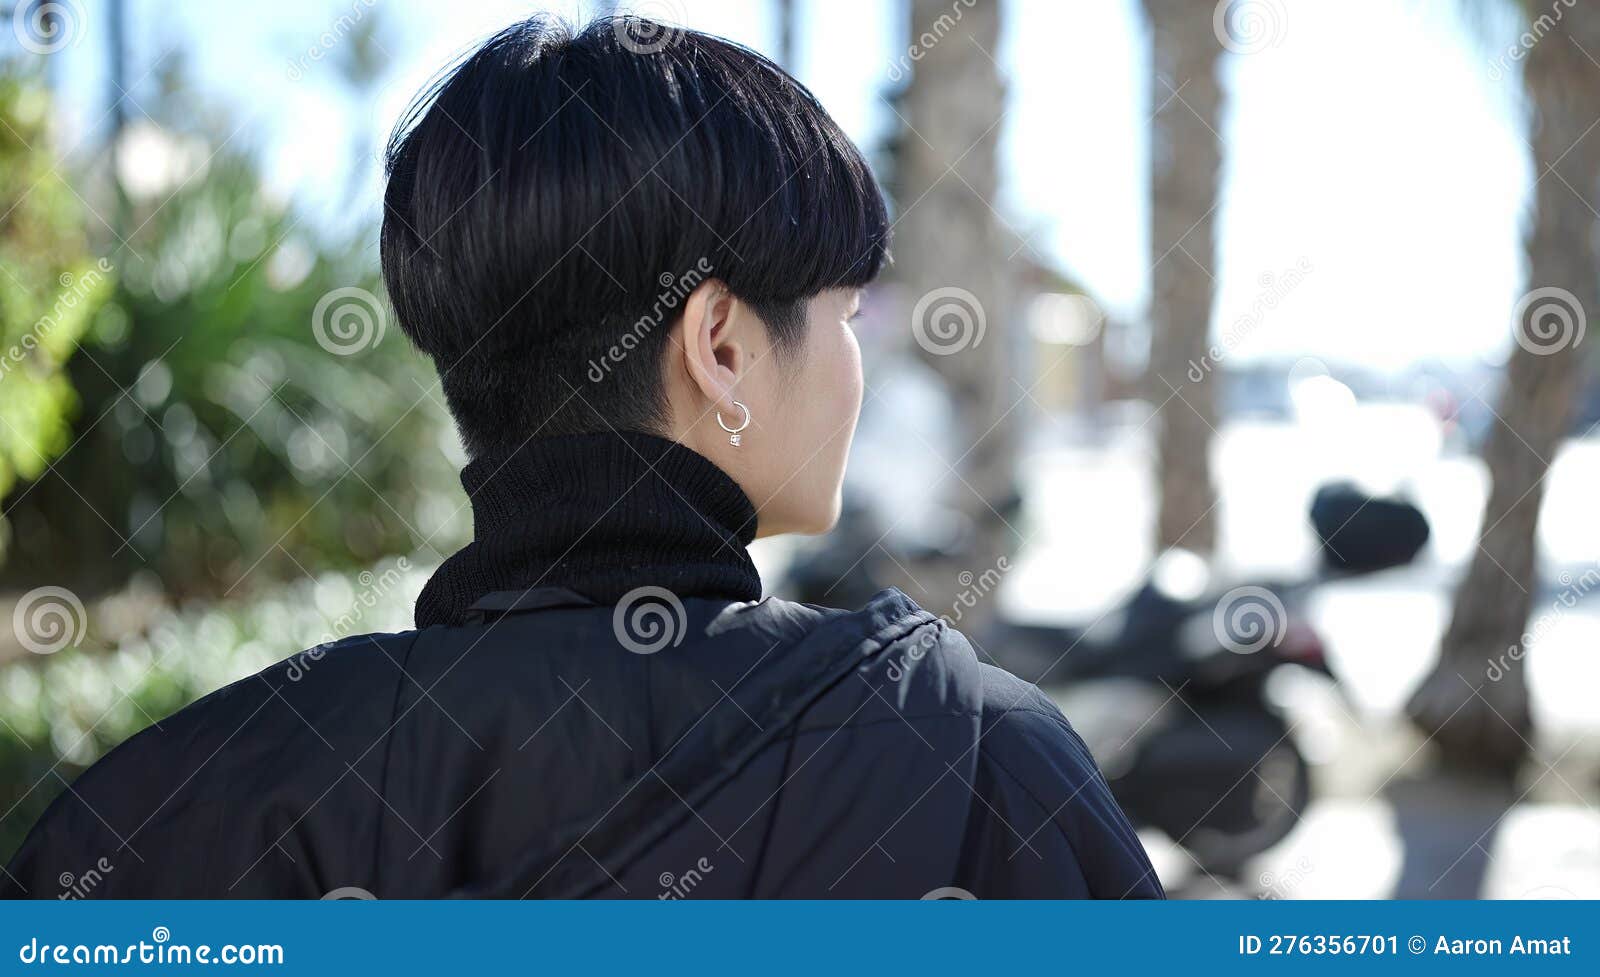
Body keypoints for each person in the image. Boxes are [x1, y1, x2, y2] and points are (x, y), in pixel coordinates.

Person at [3, 16, 1162, 899]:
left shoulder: (187, 804)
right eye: (845, 314)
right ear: (719, 342)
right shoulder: (971, 764)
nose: (854, 364)